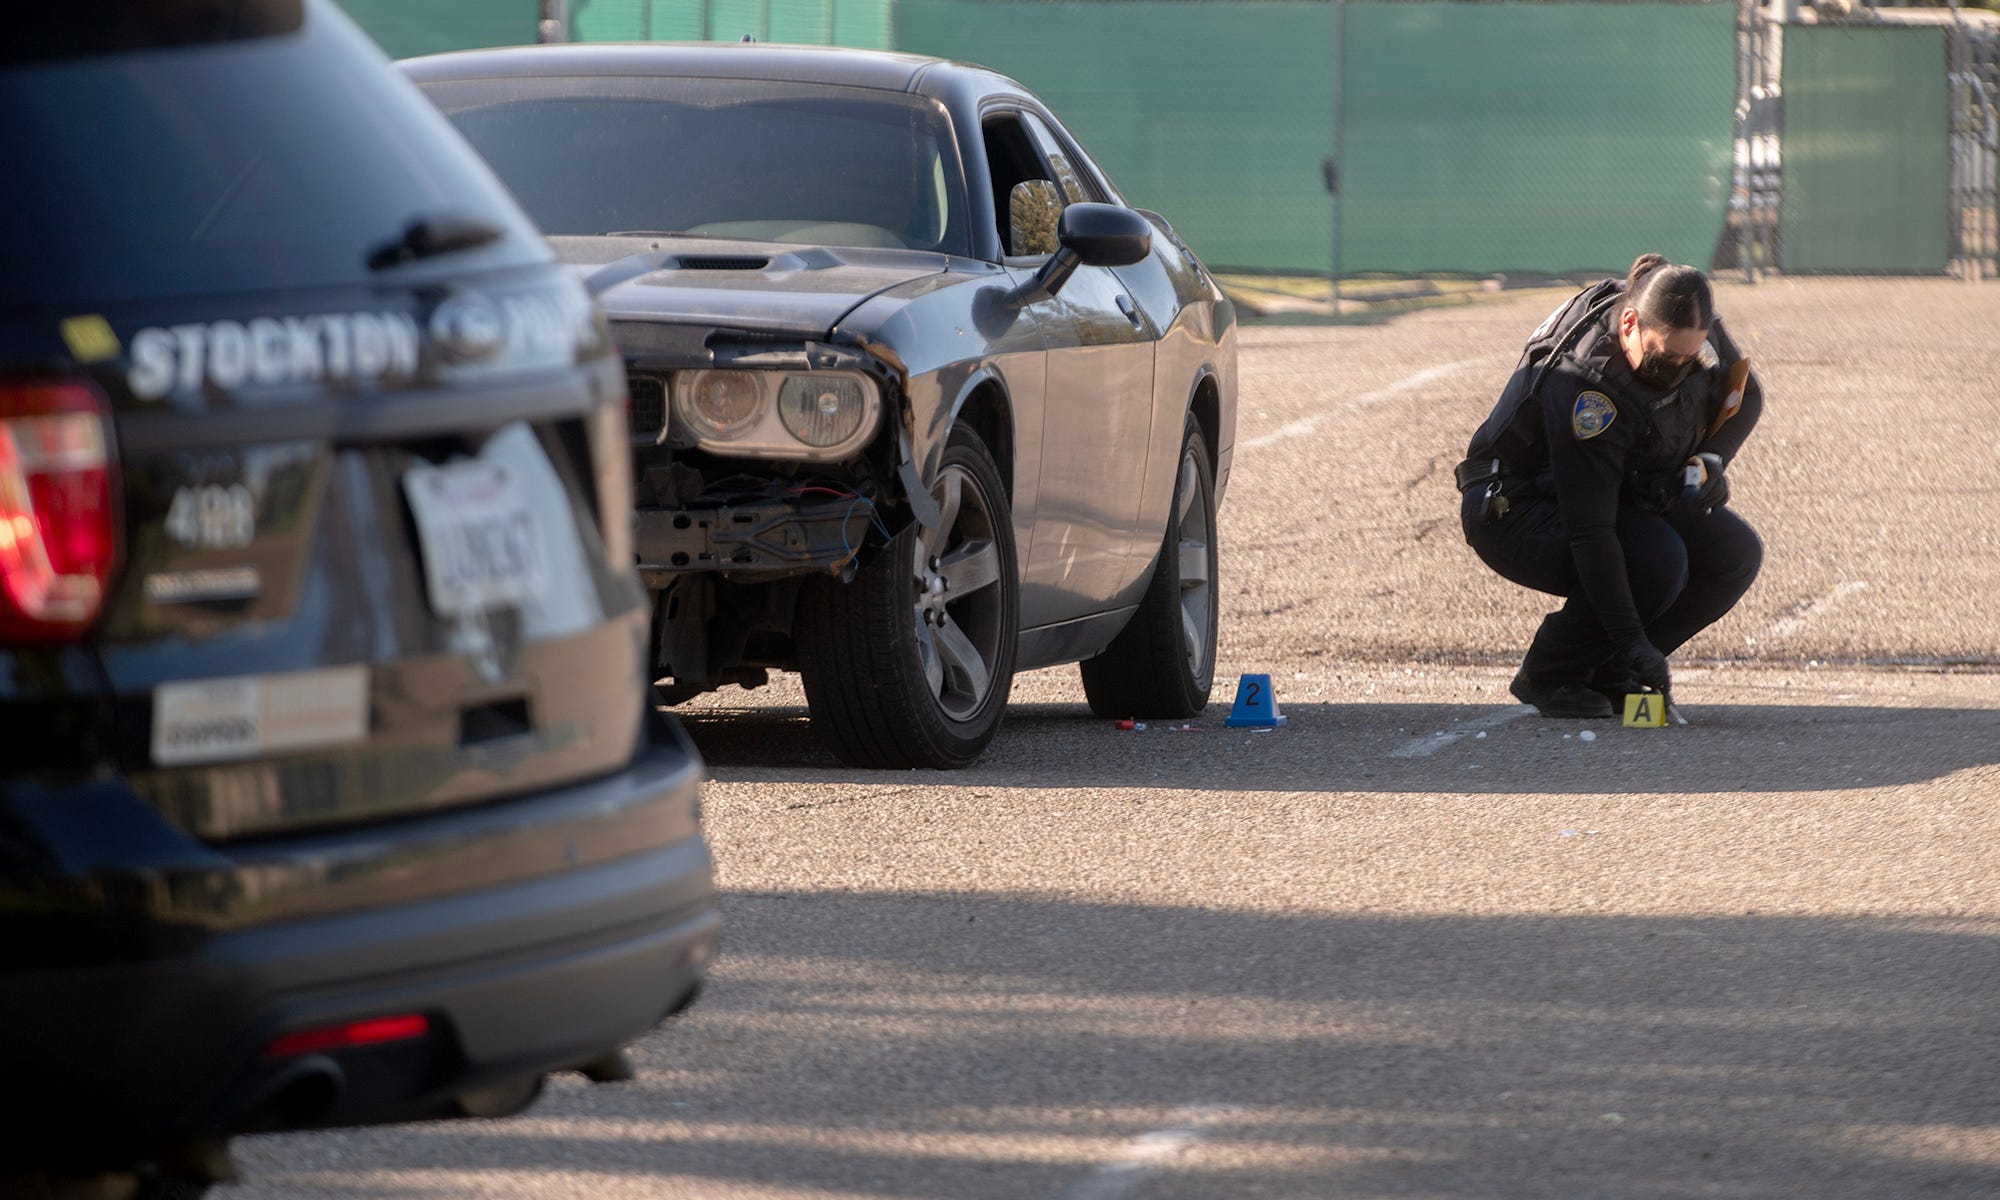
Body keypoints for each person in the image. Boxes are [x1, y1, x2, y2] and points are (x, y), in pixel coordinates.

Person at [1455, 254, 1764, 718]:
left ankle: (1608, 670)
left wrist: (1712, 458)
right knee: (1658, 560)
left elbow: (1747, 395)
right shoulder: (1588, 390)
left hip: (1614, 486)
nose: (1679, 367)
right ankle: (1553, 672)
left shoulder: (1686, 321)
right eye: (1666, 356)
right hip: (1516, 507)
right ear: (1628, 325)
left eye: (1689, 355)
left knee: (1734, 554)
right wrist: (1632, 640)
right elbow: (1591, 533)